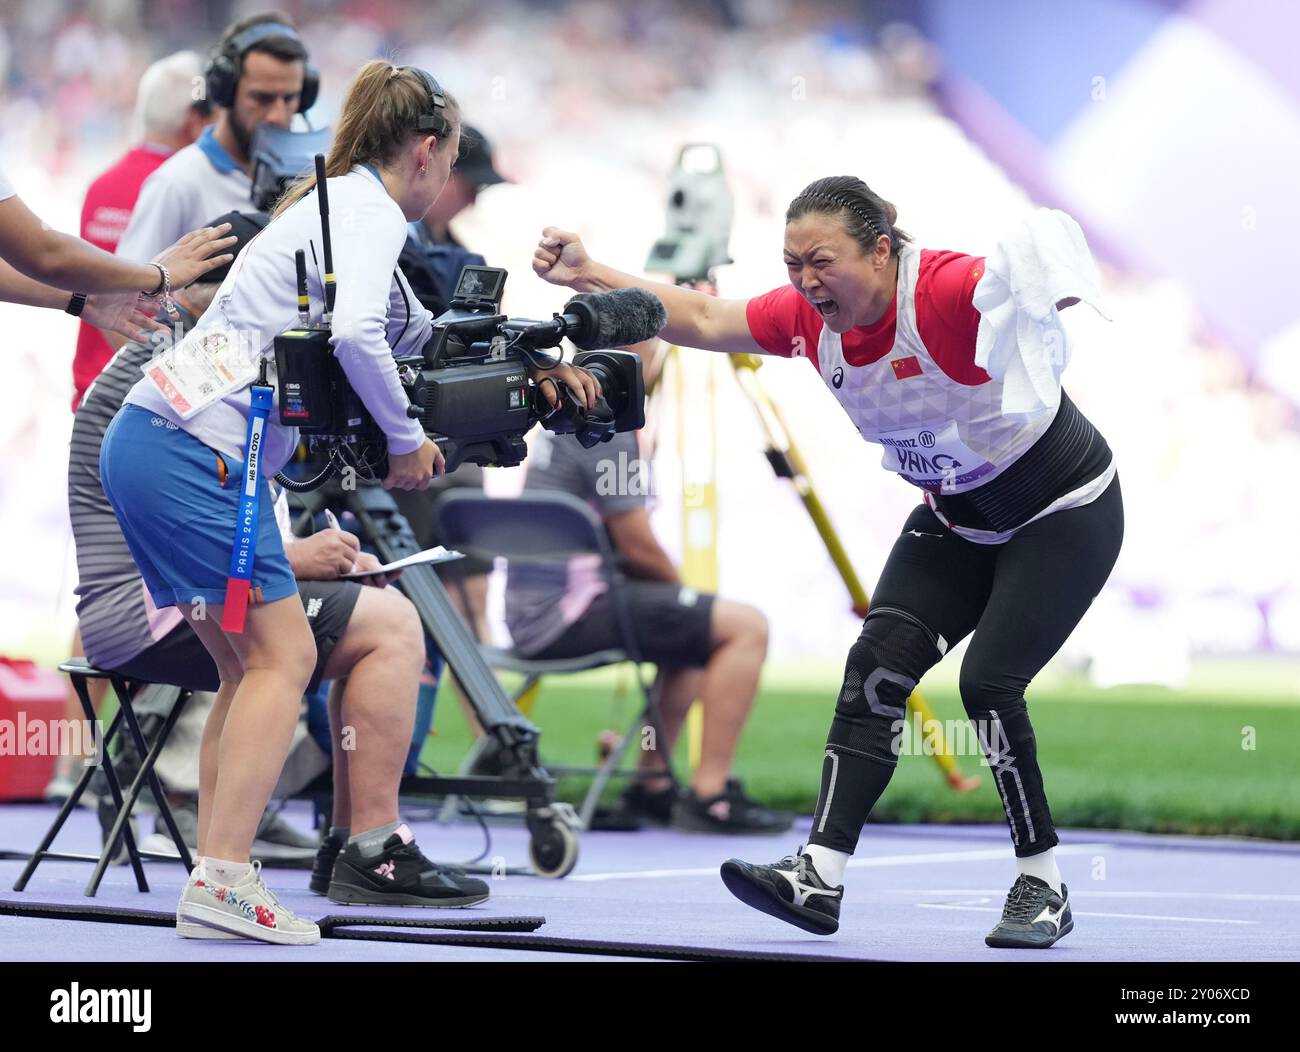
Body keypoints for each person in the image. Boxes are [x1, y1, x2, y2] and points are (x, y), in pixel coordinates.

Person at [533, 176, 1122, 948]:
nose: (807, 282)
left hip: (1062, 515)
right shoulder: (809, 321)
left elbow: (1035, 266)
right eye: (791, 264)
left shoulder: (941, 289)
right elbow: (704, 314)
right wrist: (589, 271)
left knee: (988, 684)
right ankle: (819, 875)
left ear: (882, 251)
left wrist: (1048, 283)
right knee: (874, 671)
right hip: (955, 518)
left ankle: (1041, 881)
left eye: (823, 261)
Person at [98, 60, 597, 945]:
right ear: (430, 148)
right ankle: (223, 879)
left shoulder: (330, 209)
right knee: (282, 659)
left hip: (154, 440)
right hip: (194, 454)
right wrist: (408, 443)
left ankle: (217, 875)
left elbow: (411, 330)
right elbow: (360, 333)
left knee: (244, 669)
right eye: (449, 163)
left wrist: (533, 362)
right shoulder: (364, 213)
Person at [506, 426, 791, 835]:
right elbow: (637, 544)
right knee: (745, 627)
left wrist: (686, 612)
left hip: (537, 613)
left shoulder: (569, 417)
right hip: (570, 610)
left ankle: (651, 781)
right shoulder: (604, 426)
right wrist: (685, 599)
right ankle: (710, 795)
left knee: (694, 640)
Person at [114, 12, 317, 265]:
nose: (278, 115)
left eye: (289, 98)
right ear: (224, 92)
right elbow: (125, 294)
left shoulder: (309, 180)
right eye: (262, 98)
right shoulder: (176, 183)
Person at [72, 50, 214, 409]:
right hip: (148, 398)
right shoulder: (184, 186)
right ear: (195, 121)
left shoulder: (101, 185)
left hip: (91, 392)